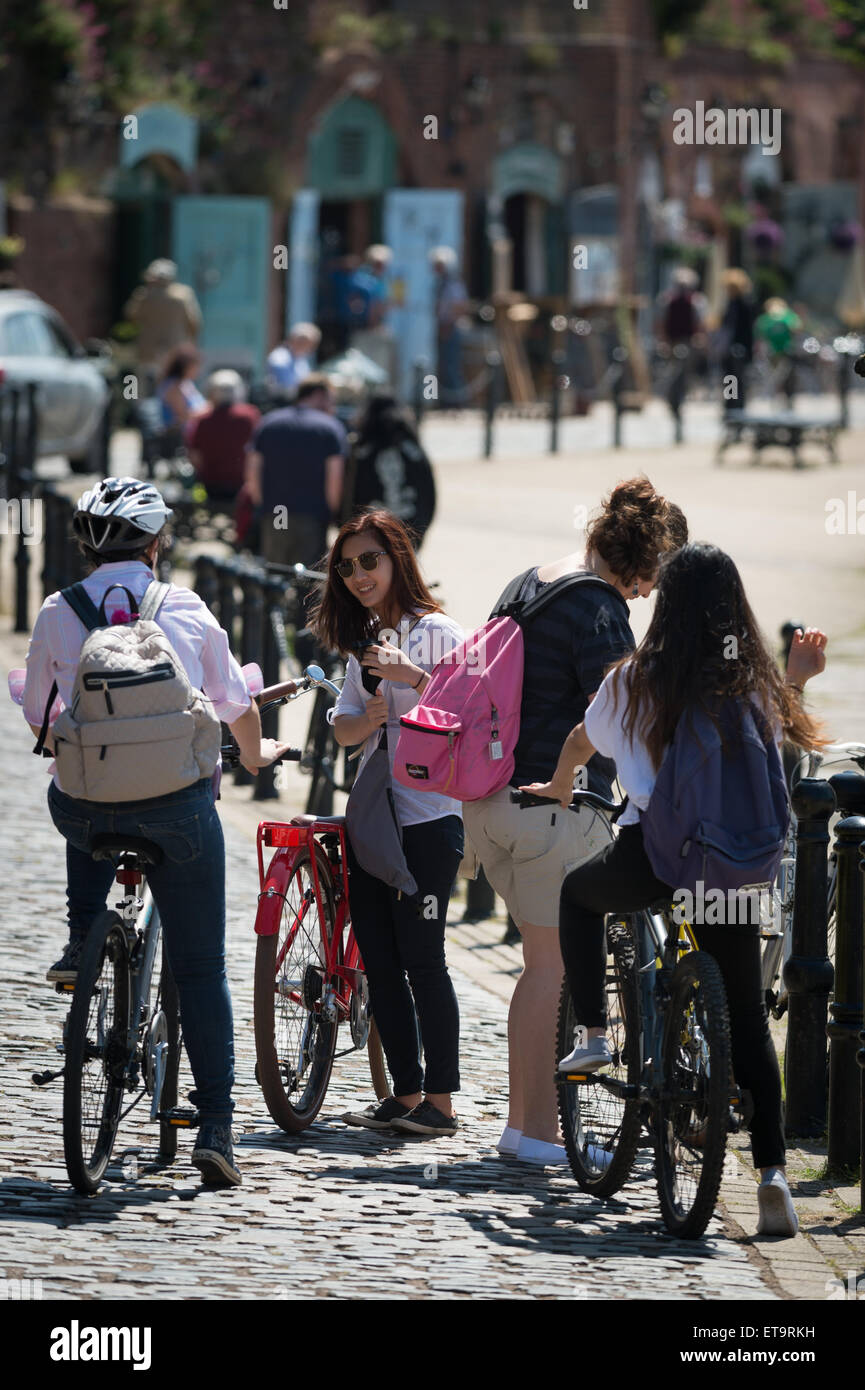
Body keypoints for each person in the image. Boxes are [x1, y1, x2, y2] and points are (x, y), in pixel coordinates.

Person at [522, 543, 826, 1235]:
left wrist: (561, 781)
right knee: (745, 1017)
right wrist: (798, 678)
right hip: (729, 868)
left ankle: (596, 1034)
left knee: (577, 894)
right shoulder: (753, 683)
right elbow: (788, 748)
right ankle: (774, 1173)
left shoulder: (634, 680)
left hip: (654, 859)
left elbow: (583, 736)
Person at [21, 477, 291, 1186]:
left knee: (80, 801)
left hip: (88, 808)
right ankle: (217, 1128)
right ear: (157, 542)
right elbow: (235, 703)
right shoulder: (186, 607)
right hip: (177, 808)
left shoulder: (57, 611)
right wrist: (259, 756)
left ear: (83, 544)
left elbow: (42, 720)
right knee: (201, 967)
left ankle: (84, 939)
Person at [462, 479, 687, 1166]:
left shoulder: (528, 582)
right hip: (549, 807)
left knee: (539, 970)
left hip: (488, 800)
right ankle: (540, 1136)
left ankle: (519, 1127)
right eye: (651, 579)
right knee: (550, 971)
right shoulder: (598, 608)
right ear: (638, 562)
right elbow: (610, 717)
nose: (647, 595)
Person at [310, 510, 465, 1136]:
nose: (357, 575)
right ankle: (405, 1093)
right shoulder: (367, 644)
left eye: (369, 560)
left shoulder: (443, 632)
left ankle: (442, 1101)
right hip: (375, 817)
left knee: (423, 956)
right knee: (379, 956)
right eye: (346, 567)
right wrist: (372, 713)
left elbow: (471, 714)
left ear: (398, 557)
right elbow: (344, 729)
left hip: (430, 818)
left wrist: (413, 679)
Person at [245, 373, 347, 569]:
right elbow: (335, 478)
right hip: (312, 515)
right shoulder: (330, 428)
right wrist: (333, 511)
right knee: (307, 581)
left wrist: (261, 504)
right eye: (331, 400)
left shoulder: (269, 423)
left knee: (275, 575)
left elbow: (252, 471)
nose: (332, 407)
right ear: (318, 395)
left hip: (275, 513)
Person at [346, 392, 436, 546]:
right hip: (409, 528)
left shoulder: (361, 449)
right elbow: (428, 493)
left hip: (368, 533)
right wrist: (421, 527)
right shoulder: (412, 448)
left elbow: (349, 491)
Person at [187, 369, 260, 504]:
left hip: (211, 484)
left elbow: (194, 455)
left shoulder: (202, 419)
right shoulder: (250, 416)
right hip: (242, 483)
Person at [124, 259, 202, 382]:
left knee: (144, 387)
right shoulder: (183, 295)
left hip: (148, 351)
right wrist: (191, 344)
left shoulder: (143, 295)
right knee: (174, 385)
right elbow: (194, 322)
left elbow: (131, 317)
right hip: (175, 352)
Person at [430, 247, 469, 405]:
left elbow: (460, 306)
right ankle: (437, 400)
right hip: (440, 328)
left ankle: (457, 402)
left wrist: (448, 325)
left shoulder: (453, 284)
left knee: (452, 366)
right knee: (440, 366)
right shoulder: (438, 284)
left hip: (450, 329)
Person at [718, 268, 755, 414]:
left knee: (736, 379)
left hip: (739, 348)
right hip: (729, 348)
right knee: (729, 379)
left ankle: (737, 407)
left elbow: (748, 331)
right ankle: (730, 405)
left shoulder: (745, 305)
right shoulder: (730, 304)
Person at [156, 343, 206, 434]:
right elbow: (182, 417)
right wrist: (208, 411)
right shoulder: (174, 386)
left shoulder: (187, 383)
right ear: (185, 367)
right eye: (196, 366)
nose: (198, 370)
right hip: (180, 438)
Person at [266, 322, 321, 395]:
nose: (310, 348)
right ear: (293, 340)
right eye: (303, 342)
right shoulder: (279, 358)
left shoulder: (301, 359)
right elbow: (288, 386)